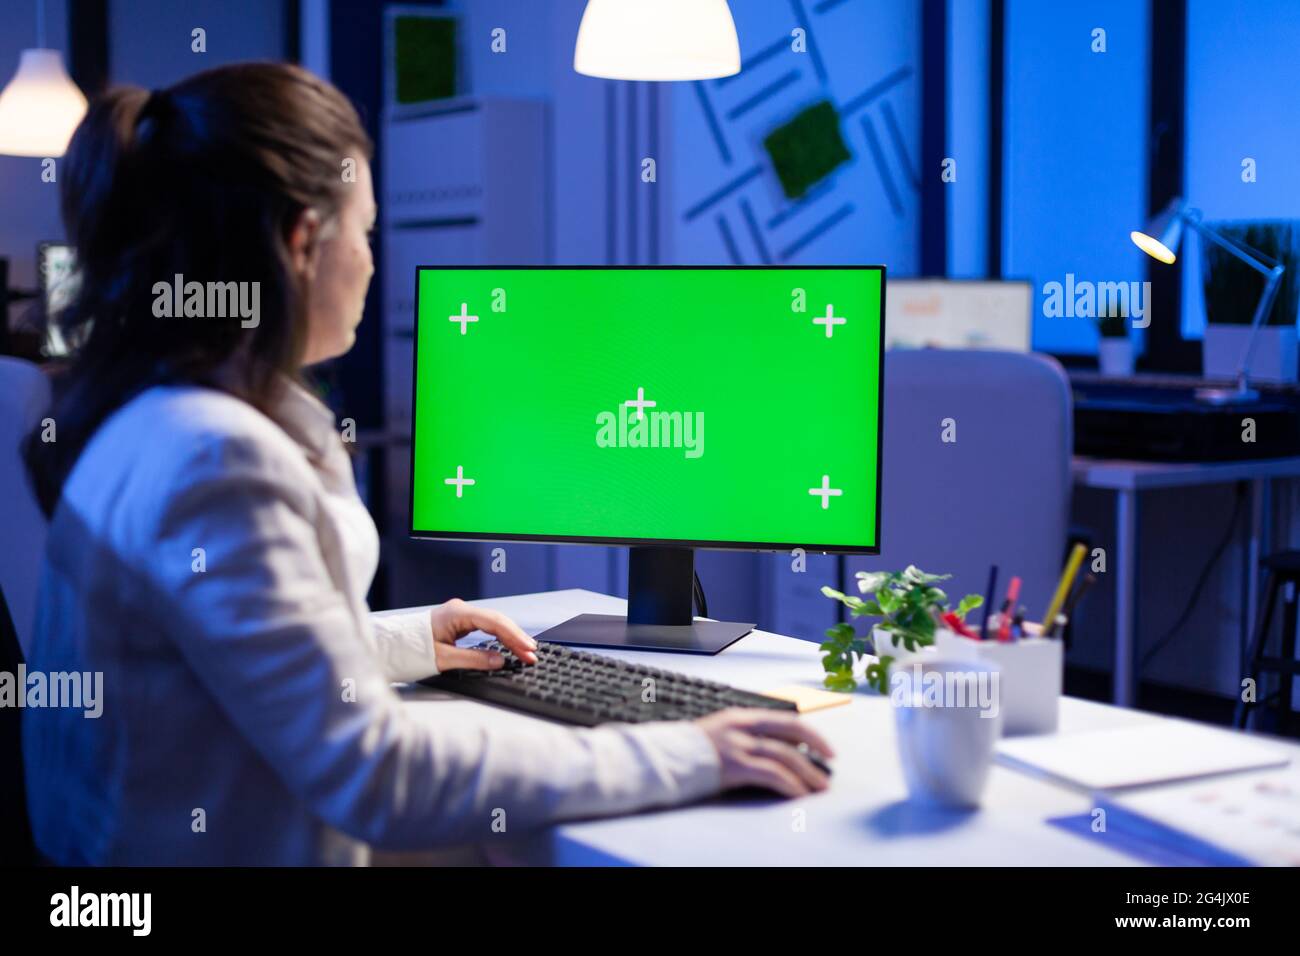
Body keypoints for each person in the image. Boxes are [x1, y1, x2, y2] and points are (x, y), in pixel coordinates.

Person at [21, 63, 831, 865]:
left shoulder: (154, 418)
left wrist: (414, 639)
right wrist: (694, 753)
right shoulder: (215, 458)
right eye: (365, 232)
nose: (374, 263)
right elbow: (377, 774)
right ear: (303, 241)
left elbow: (253, 662)